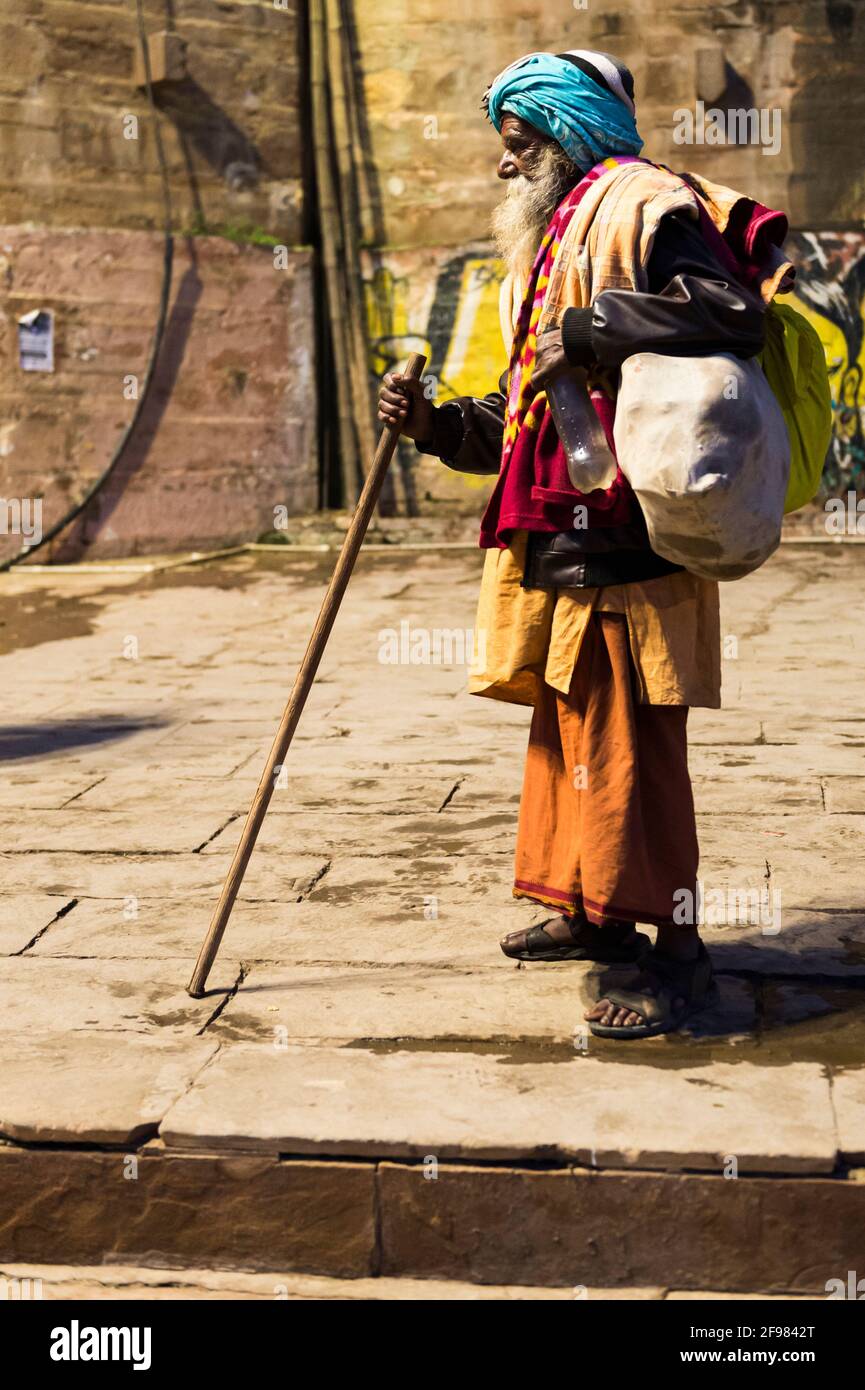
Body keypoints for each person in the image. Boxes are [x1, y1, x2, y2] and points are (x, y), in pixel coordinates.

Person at [378, 49, 789, 1038]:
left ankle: (666, 956)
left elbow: (734, 315)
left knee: (631, 744)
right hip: (555, 528)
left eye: (516, 146)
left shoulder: (646, 204)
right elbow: (528, 406)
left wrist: (596, 327)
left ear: (562, 133)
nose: (503, 167)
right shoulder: (554, 236)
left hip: (629, 535)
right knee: (567, 731)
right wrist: (434, 423)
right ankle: (584, 908)